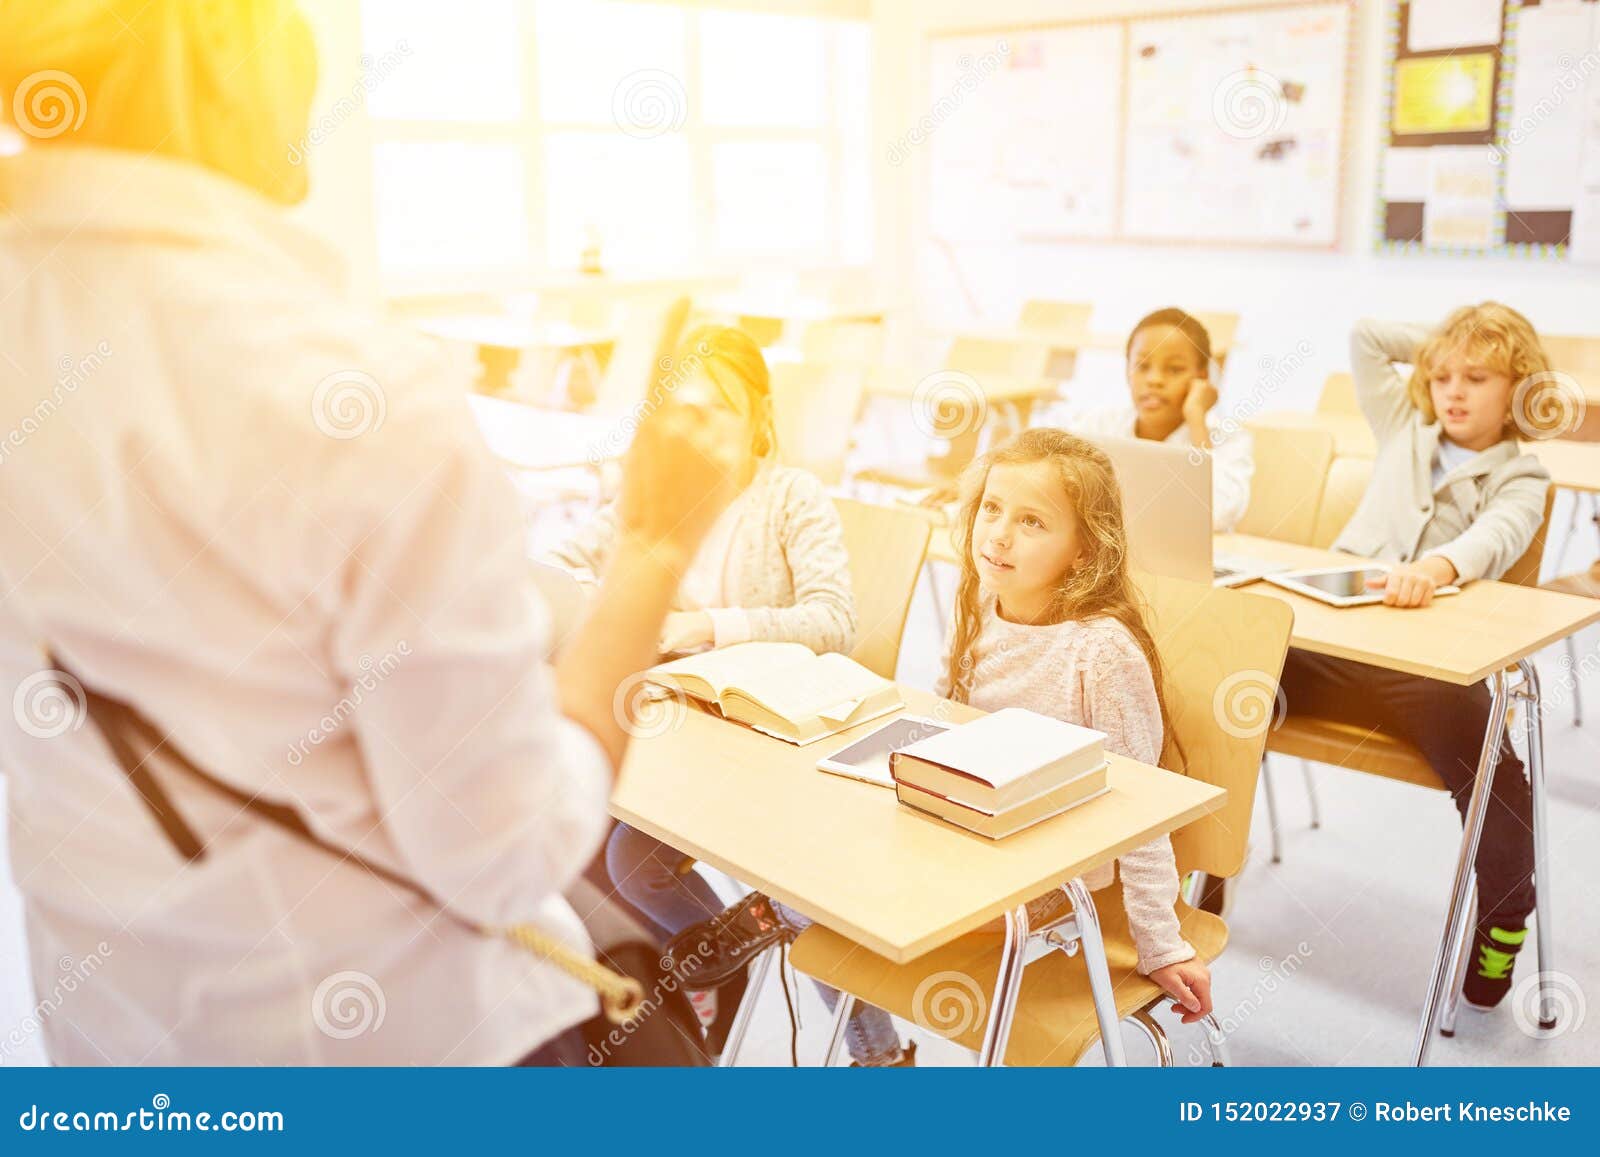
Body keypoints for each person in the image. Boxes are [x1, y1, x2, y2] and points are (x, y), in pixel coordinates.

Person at [0, 0, 742, 1065]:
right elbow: (507, 855)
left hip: (114, 1034)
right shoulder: (354, 392)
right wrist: (656, 544)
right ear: (227, 55)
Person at [550, 327, 913, 1063]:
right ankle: (729, 962)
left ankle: (878, 1054)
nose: (698, 426)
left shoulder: (790, 497)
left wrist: (702, 625)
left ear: (761, 419)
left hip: (774, 736)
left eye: (718, 407)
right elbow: (566, 560)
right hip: (683, 731)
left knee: (797, 885)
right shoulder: (655, 494)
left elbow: (834, 618)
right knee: (627, 859)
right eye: (682, 409)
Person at [1278, 308, 1553, 1011]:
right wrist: (1453, 339)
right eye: (1439, 376)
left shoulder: (1522, 475)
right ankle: (1197, 873)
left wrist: (1434, 567)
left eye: (1478, 377)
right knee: (1221, 677)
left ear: (1519, 387)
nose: (1452, 391)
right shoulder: (1405, 422)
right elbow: (1365, 335)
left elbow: (1496, 536)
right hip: (1334, 650)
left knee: (1497, 775)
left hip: (1426, 677)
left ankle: (1502, 924)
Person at [939, 428, 1213, 1021]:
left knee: (847, 895)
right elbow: (948, 720)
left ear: (1085, 550)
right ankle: (878, 1056)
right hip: (974, 832)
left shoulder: (1101, 653)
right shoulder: (980, 605)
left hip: (1052, 880)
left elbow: (1140, 808)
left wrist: (1160, 943)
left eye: (1033, 522)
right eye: (992, 508)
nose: (999, 535)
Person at [1040, 308, 1253, 532]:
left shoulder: (1227, 438)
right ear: (1127, 371)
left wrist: (1196, 419)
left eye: (1174, 369)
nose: (1154, 380)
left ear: (1202, 378)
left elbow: (1214, 515)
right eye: (1142, 366)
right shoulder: (1100, 425)